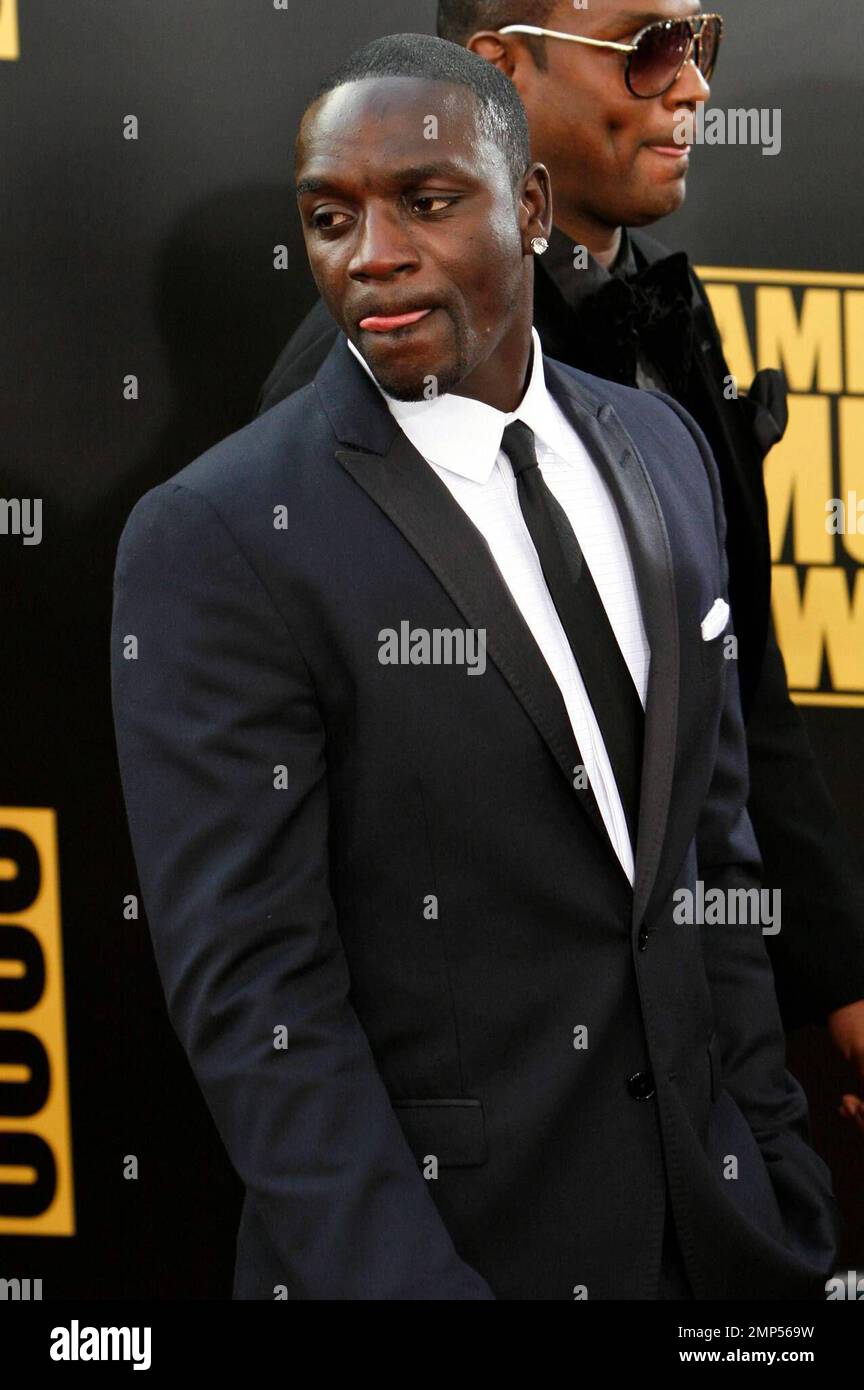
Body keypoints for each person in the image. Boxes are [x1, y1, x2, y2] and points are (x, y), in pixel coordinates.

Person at [111, 34, 837, 1300]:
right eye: (330, 216)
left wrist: (773, 1166)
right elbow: (257, 1000)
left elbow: (711, 853)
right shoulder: (222, 533)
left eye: (428, 202)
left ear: (532, 208)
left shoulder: (662, 449)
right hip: (449, 1260)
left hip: (722, 1249)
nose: (370, 254)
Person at [255, 3, 864, 1130]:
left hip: (702, 1112)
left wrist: (831, 982)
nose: (693, 90)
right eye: (649, 48)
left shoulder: (670, 328)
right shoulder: (341, 410)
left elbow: (740, 703)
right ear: (500, 71)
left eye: (702, 43)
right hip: (490, 1137)